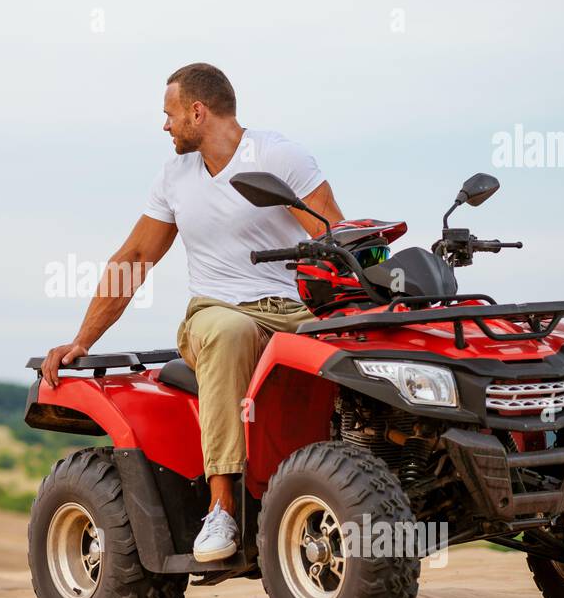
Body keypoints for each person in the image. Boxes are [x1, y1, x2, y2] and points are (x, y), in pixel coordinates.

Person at [40, 64, 344, 561]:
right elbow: (135, 258)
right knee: (228, 332)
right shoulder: (175, 177)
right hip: (217, 310)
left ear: (197, 112)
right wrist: (83, 340)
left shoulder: (277, 156)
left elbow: (332, 235)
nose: (166, 125)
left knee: (360, 348)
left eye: (170, 114)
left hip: (295, 309)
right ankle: (221, 508)